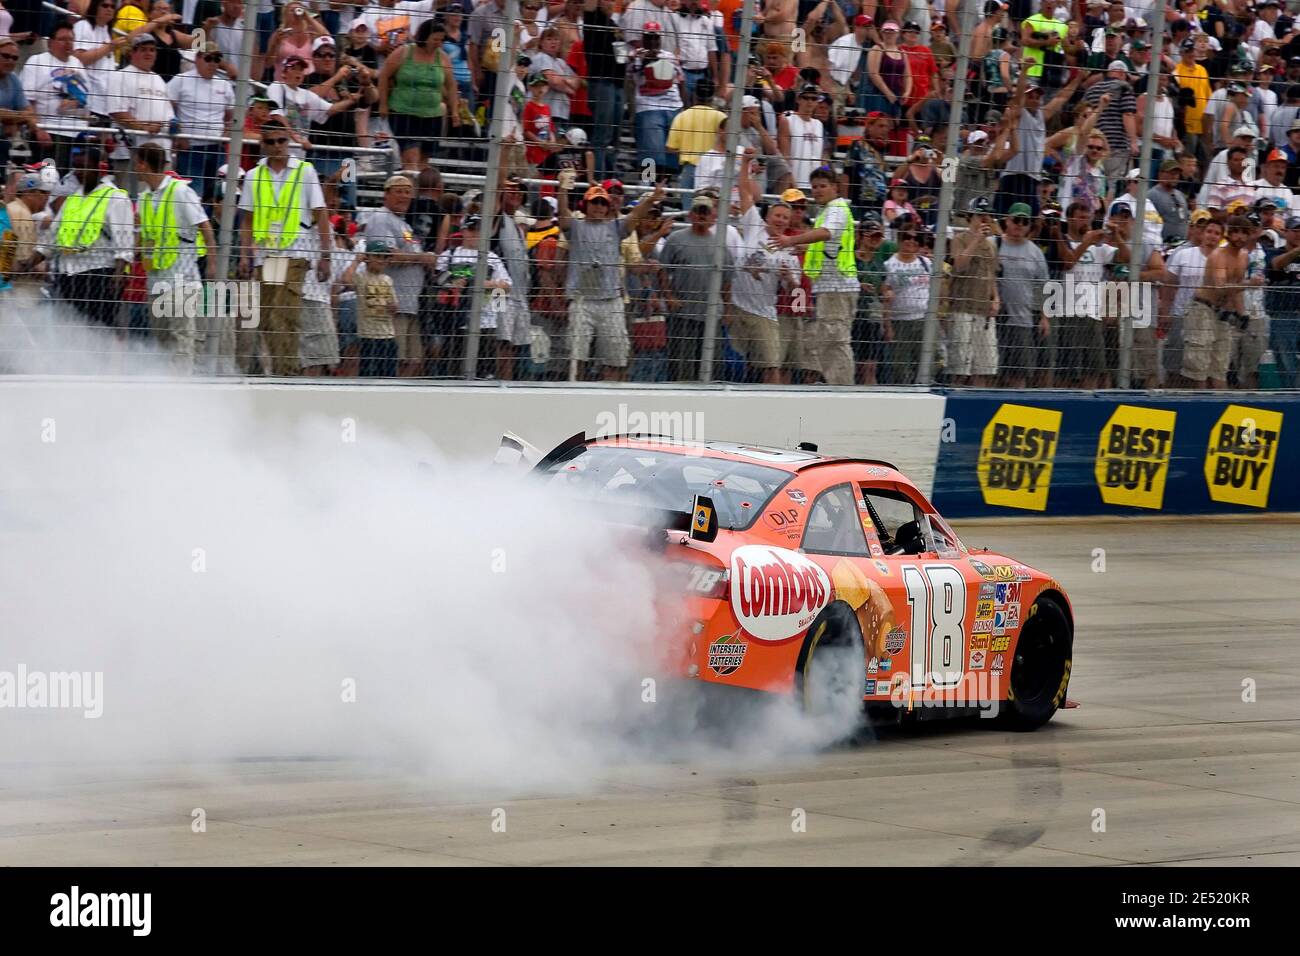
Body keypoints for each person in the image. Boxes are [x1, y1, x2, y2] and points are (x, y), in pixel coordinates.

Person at [237, 117, 332, 377]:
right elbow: (247, 219)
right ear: (263, 144)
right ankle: (281, 368)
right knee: (268, 318)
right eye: (271, 141)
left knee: (284, 312)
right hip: (268, 255)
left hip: (296, 252)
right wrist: (245, 255)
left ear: (288, 141)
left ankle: (286, 373)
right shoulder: (254, 176)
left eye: (282, 140)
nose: (278, 146)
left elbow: (321, 213)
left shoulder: (305, 171)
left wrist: (326, 255)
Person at [555, 169, 663, 381]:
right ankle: (574, 392)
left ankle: (611, 395)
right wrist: (562, 189)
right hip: (581, 299)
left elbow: (635, 216)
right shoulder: (575, 226)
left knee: (616, 355)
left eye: (603, 203)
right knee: (577, 356)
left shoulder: (616, 227)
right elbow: (563, 216)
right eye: (595, 202)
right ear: (586, 205)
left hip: (610, 300)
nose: (599, 206)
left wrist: (651, 199)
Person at [26, 140, 134, 349]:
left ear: (97, 167)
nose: (79, 172)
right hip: (69, 276)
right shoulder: (73, 199)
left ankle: (98, 375)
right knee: (70, 333)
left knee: (99, 333)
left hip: (99, 275)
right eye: (76, 167)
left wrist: (119, 274)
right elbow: (51, 238)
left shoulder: (115, 198)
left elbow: (125, 243)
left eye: (84, 166)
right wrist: (30, 261)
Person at [771, 165, 859, 386]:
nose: (817, 190)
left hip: (837, 285)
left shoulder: (836, 208)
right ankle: (837, 385)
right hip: (831, 285)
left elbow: (826, 233)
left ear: (835, 188)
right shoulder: (827, 211)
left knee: (835, 340)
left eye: (823, 186)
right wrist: (807, 249)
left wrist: (792, 241)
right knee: (830, 340)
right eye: (814, 187)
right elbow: (830, 245)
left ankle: (841, 389)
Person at [136, 144, 217, 374]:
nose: (135, 169)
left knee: (182, 336)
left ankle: (182, 385)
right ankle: (165, 384)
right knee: (162, 339)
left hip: (182, 278)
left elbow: (205, 226)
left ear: (143, 164)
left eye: (137, 163)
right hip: (156, 279)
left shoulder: (180, 192)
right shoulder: (144, 198)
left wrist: (212, 262)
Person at [728, 153, 799, 384]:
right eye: (778, 215)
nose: (781, 220)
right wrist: (746, 163)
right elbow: (743, 189)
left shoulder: (788, 250)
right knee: (737, 365)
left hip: (763, 313)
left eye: (785, 218)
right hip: (737, 306)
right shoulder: (753, 225)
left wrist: (789, 279)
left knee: (771, 365)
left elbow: (794, 290)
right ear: (768, 216)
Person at [363, 173, 438, 376]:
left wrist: (424, 259)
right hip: (391, 304)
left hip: (409, 304)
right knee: (394, 359)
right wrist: (424, 258)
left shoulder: (403, 224)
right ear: (385, 195)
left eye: (407, 192)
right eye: (398, 191)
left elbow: (406, 253)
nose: (404, 196)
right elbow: (386, 256)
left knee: (413, 360)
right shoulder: (381, 218)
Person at [657, 192, 734, 381]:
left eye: (705, 212)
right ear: (690, 214)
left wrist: (728, 309)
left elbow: (726, 280)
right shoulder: (675, 239)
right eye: (697, 211)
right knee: (681, 368)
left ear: (712, 217)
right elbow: (662, 270)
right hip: (682, 314)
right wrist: (669, 297)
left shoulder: (720, 245)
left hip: (711, 315)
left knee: (710, 368)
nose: (701, 215)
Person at [377, 19, 458, 169]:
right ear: (424, 37)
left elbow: (451, 85)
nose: (438, 43)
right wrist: (383, 104)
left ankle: (416, 190)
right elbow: (384, 76)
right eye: (435, 39)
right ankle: (408, 187)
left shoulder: (443, 57)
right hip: (404, 112)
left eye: (441, 40)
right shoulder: (404, 52)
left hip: (432, 115)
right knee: (410, 156)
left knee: (423, 161)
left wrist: (454, 111)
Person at [1182, 216, 1252, 389]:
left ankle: (1220, 405)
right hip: (1203, 309)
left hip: (1223, 313)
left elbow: (1236, 290)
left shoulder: (1244, 257)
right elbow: (1221, 287)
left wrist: (1242, 314)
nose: (1240, 237)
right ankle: (1200, 408)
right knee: (1199, 366)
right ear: (1229, 234)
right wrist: (1249, 284)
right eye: (1235, 232)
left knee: (1220, 366)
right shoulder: (1218, 255)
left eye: (1244, 233)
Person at [167, 41, 236, 203]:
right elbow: (167, 107)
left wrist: (226, 133)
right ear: (197, 58)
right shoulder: (181, 80)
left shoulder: (224, 84)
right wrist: (178, 135)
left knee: (216, 197)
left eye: (217, 59)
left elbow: (230, 115)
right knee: (192, 196)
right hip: (191, 148)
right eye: (209, 58)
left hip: (216, 148)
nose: (213, 63)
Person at [947, 197, 1001, 386]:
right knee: (960, 367)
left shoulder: (992, 245)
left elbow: (992, 273)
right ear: (971, 217)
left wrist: (996, 298)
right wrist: (976, 240)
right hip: (963, 308)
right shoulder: (959, 239)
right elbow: (958, 266)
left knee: (984, 368)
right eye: (980, 215)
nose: (984, 219)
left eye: (987, 215)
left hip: (984, 311)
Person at [996, 202, 1050, 388]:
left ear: (1030, 226)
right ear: (1007, 221)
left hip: (1023, 321)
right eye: (1016, 220)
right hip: (995, 320)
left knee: (1019, 375)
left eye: (1024, 221)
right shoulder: (994, 244)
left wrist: (1044, 318)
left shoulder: (1035, 252)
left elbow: (1042, 286)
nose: (1020, 224)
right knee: (992, 372)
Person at [352, 239, 400, 377]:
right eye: (377, 256)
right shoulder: (361, 277)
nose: (382, 260)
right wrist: (357, 261)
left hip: (388, 335)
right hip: (369, 335)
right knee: (369, 374)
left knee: (388, 375)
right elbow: (346, 279)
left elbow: (394, 306)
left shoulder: (387, 279)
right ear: (367, 258)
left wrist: (393, 307)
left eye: (385, 257)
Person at [1265, 214, 1300, 388]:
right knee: (1287, 364)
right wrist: (1297, 251)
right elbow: (1276, 265)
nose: (1298, 234)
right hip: (1282, 316)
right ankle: (1293, 401)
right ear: (1285, 232)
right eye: (1295, 230)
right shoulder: (1273, 252)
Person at [779, 84, 828, 192]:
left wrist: (827, 172)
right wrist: (791, 180)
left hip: (815, 186)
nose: (809, 101)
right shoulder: (788, 119)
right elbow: (784, 155)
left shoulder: (819, 124)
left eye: (814, 98)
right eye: (806, 98)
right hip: (795, 182)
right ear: (798, 99)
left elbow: (821, 158)